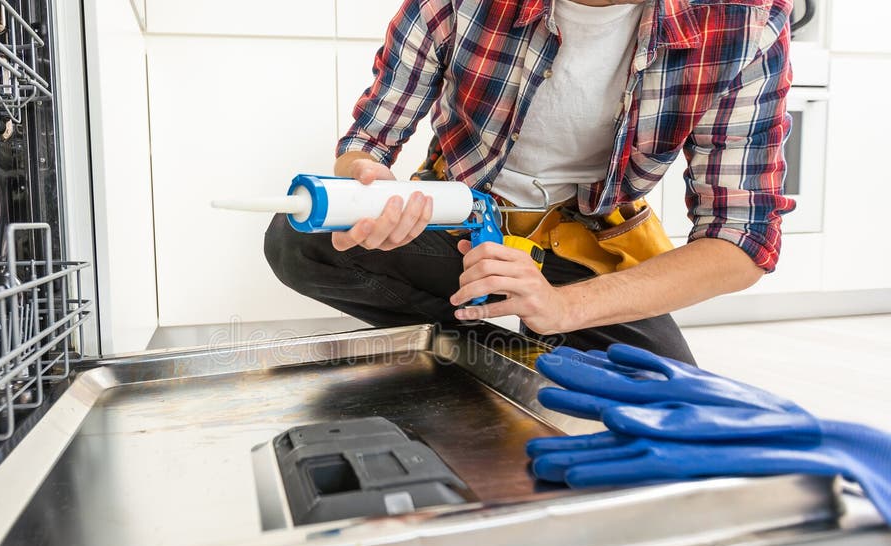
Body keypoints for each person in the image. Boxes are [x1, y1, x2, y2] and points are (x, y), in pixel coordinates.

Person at [265, 0, 795, 365]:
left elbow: (741, 240)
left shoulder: (745, 21)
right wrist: (366, 180)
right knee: (300, 239)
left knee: (663, 397)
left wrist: (563, 309)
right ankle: (490, 353)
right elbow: (369, 141)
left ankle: (510, 344)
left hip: (585, 256)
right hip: (460, 232)